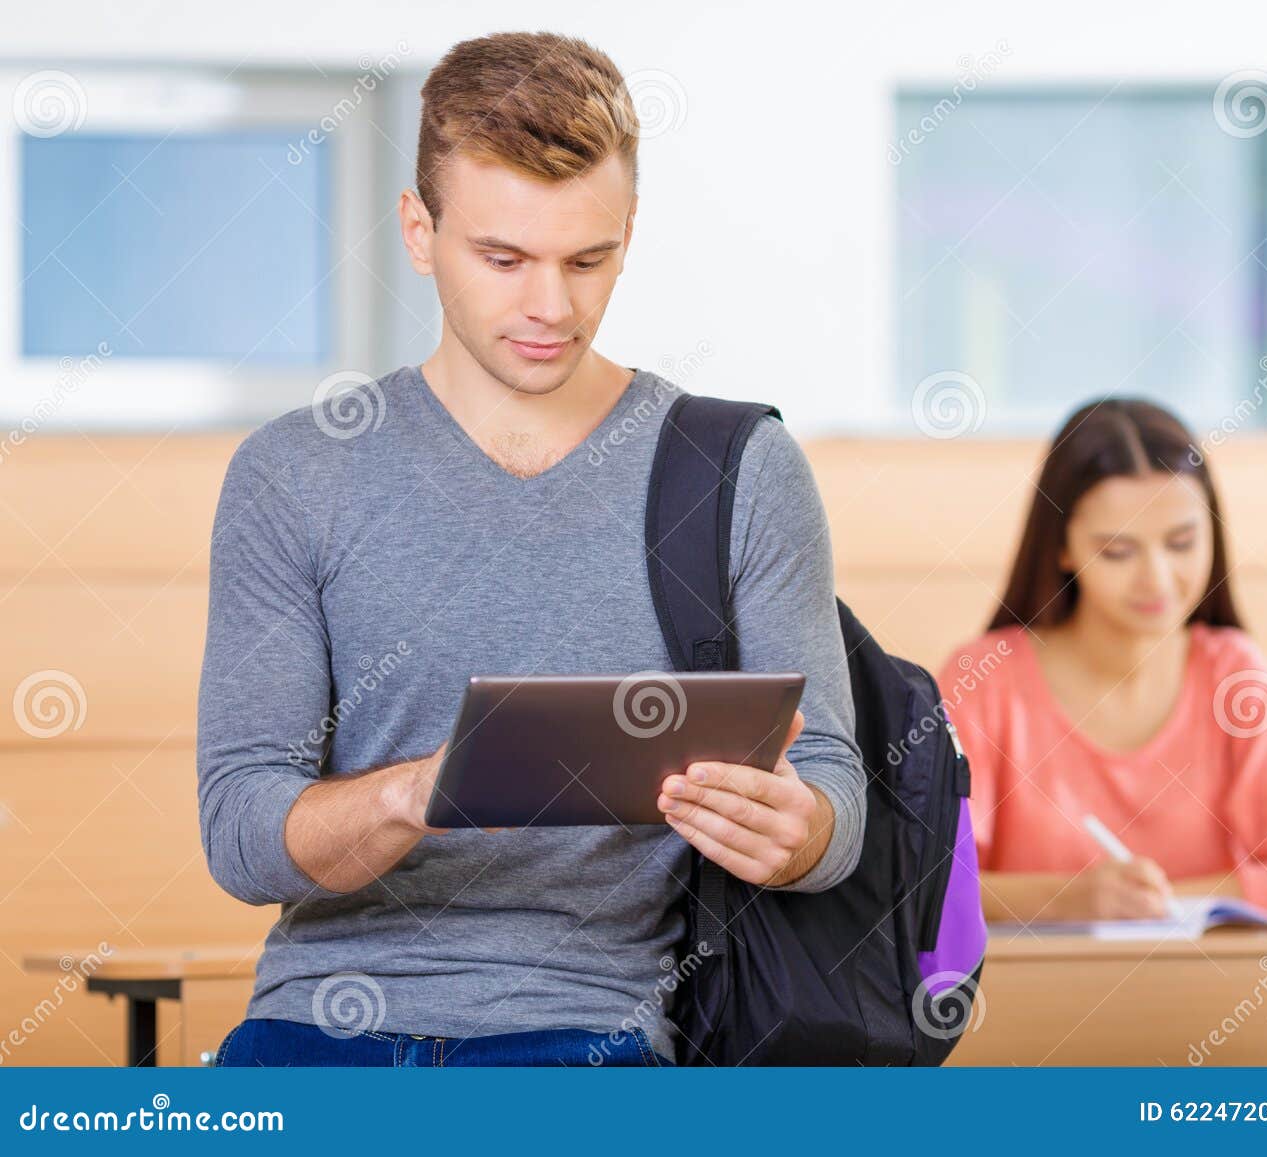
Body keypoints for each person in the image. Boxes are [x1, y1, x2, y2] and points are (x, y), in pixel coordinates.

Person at [198, 31, 864, 1068]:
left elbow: (833, 785)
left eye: (587, 260)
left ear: (629, 233)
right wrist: (414, 793)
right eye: (503, 259)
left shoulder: (738, 467)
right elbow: (241, 831)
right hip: (316, 1025)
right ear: (419, 231)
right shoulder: (294, 474)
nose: (552, 307)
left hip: (585, 1026)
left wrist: (803, 831)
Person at [936, 398, 1267, 927]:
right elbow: (929, 885)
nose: (1157, 579)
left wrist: (1156, 906)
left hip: (1195, 996)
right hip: (1029, 999)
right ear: (1062, 548)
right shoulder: (985, 680)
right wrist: (1070, 902)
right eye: (1118, 552)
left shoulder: (1235, 674)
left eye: (1181, 543)